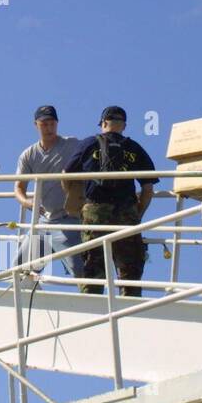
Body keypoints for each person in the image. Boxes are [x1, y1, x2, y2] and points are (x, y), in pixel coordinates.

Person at [63, 106, 158, 296]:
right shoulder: (134, 148)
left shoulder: (89, 143)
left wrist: (77, 200)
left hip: (95, 211)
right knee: (129, 266)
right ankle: (129, 308)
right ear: (123, 126)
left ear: (104, 123)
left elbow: (66, 175)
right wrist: (137, 213)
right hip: (126, 211)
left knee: (93, 263)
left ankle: (91, 306)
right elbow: (148, 189)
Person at [13, 106, 83, 279]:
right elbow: (19, 188)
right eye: (45, 124)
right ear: (36, 124)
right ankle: (27, 301)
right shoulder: (28, 155)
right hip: (44, 222)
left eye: (52, 124)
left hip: (70, 221)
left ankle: (96, 304)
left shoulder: (72, 144)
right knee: (19, 269)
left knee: (82, 273)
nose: (49, 128)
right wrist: (28, 203)